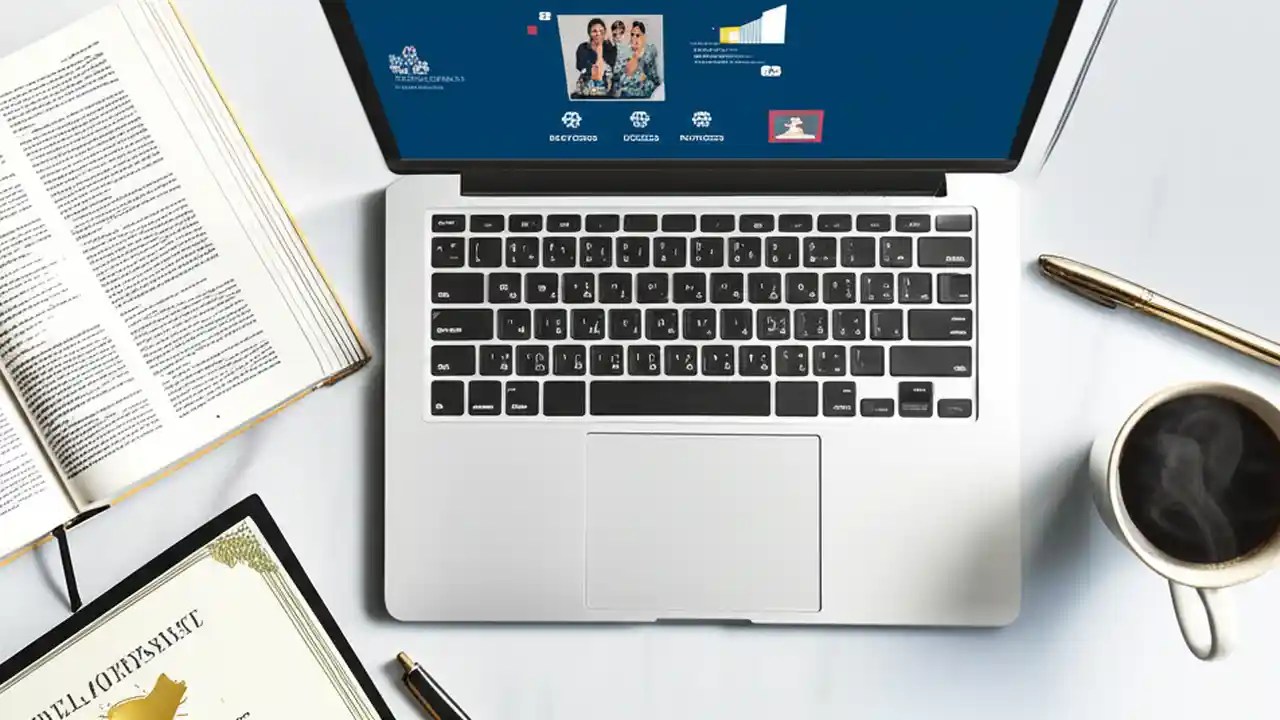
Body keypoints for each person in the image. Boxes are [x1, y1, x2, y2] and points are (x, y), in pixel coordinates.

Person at [612, 20, 661, 98]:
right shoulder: (623, 51)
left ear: (643, 37)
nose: (634, 37)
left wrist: (643, 79)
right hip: (624, 92)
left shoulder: (649, 53)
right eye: (632, 34)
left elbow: (655, 81)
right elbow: (616, 76)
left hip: (642, 93)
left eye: (638, 35)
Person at [573, 17, 616, 98]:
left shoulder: (610, 49)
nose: (598, 34)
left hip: (606, 90)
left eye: (601, 31)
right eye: (594, 31)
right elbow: (581, 67)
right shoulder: (583, 47)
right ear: (589, 33)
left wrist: (600, 49)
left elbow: (612, 68)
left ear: (605, 32)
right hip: (585, 89)